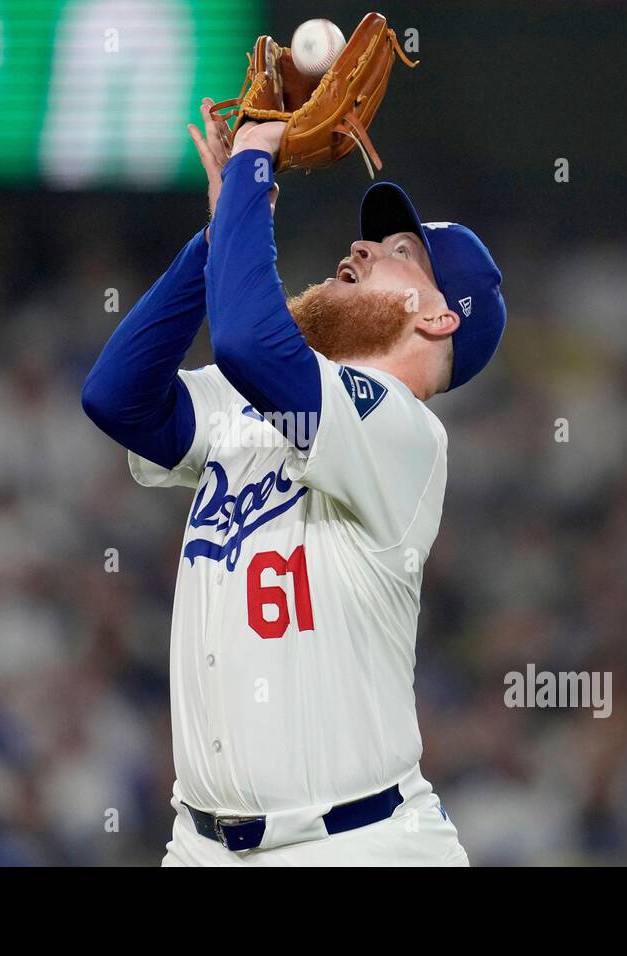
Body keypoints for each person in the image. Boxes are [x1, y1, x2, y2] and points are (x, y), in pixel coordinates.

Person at [81, 102, 506, 865]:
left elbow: (247, 338)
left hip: (356, 845)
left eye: (398, 251)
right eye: (372, 238)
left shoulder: (403, 433)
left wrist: (254, 157)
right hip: (202, 846)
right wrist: (217, 238)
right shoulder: (256, 404)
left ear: (441, 319)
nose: (362, 247)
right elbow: (117, 397)